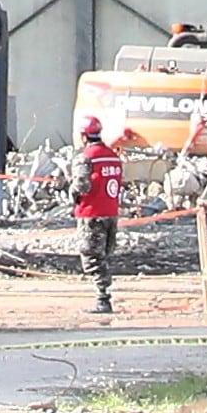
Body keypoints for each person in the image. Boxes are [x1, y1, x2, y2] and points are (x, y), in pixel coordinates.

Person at [72, 115, 127, 314]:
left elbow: (81, 186)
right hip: (111, 212)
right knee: (105, 253)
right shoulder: (113, 155)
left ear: (83, 135)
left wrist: (72, 193)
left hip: (91, 213)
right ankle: (103, 295)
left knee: (92, 256)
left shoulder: (86, 157)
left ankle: (103, 299)